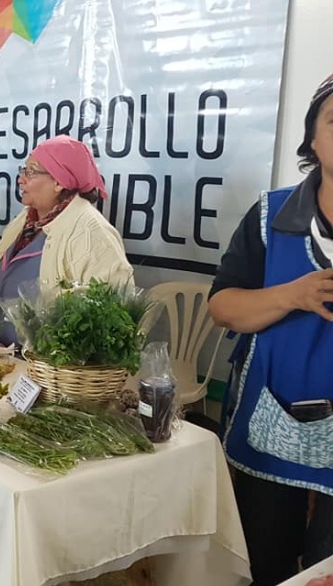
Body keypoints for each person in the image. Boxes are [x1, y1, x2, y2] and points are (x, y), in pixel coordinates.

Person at [208, 74, 333, 586]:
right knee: (267, 558)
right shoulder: (270, 216)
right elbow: (223, 307)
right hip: (274, 423)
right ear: (313, 140)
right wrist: (294, 295)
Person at [0, 135, 133, 347]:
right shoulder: (29, 217)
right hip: (0, 352)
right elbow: (13, 265)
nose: (21, 179)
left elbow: (114, 305)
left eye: (31, 172)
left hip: (47, 370)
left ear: (59, 181)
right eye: (23, 170)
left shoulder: (92, 231)